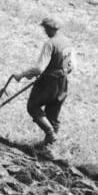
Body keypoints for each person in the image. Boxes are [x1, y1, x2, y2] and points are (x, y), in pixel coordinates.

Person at [10, 16, 72, 152]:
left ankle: (50, 135)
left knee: (33, 106)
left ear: (49, 28)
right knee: (52, 113)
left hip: (49, 82)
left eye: (45, 28)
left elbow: (39, 69)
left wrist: (22, 75)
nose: (44, 31)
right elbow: (71, 66)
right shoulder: (67, 43)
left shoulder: (50, 44)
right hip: (63, 82)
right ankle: (48, 148)